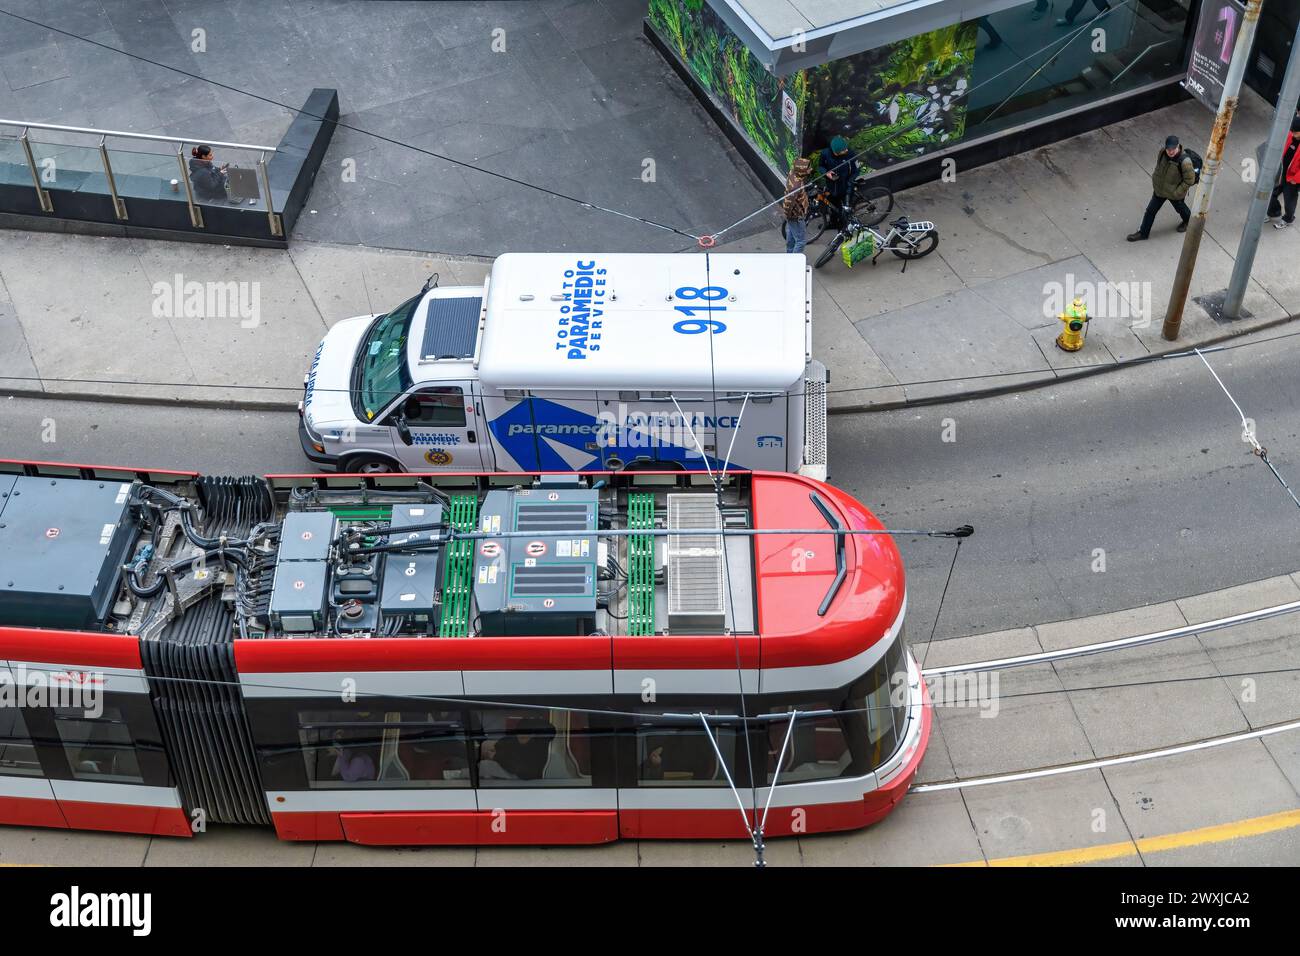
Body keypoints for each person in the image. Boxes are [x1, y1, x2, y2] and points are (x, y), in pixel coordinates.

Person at [1127, 135, 1195, 242]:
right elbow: (1159, 167)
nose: (1170, 151)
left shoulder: (1185, 162)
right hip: (1160, 190)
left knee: (1180, 208)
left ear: (1178, 146)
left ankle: (1188, 221)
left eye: (1173, 149)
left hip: (1174, 193)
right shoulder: (1162, 152)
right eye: (1168, 149)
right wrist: (1156, 179)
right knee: (1150, 211)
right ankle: (1143, 233)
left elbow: (1190, 180)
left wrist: (1177, 193)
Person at [1265, 114, 1300, 230]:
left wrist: (1296, 179)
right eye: (1293, 131)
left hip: (1292, 179)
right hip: (1282, 172)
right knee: (1271, 194)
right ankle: (1274, 212)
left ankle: (1288, 218)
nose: (1293, 134)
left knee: (1289, 200)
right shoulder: (1291, 136)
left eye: (1296, 132)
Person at [817, 136, 858, 227]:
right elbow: (821, 166)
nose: (846, 150)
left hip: (846, 187)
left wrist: (849, 182)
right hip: (831, 186)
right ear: (836, 152)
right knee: (833, 207)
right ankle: (833, 223)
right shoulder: (825, 154)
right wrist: (826, 173)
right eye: (844, 150)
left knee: (845, 211)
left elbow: (856, 171)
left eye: (846, 148)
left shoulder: (850, 154)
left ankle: (845, 227)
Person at [782, 157, 812, 254]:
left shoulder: (793, 173)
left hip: (793, 217)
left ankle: (789, 255)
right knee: (801, 242)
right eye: (807, 169)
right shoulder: (795, 186)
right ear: (801, 171)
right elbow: (788, 203)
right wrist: (788, 216)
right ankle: (794, 262)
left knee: (791, 238)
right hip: (796, 216)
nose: (810, 169)